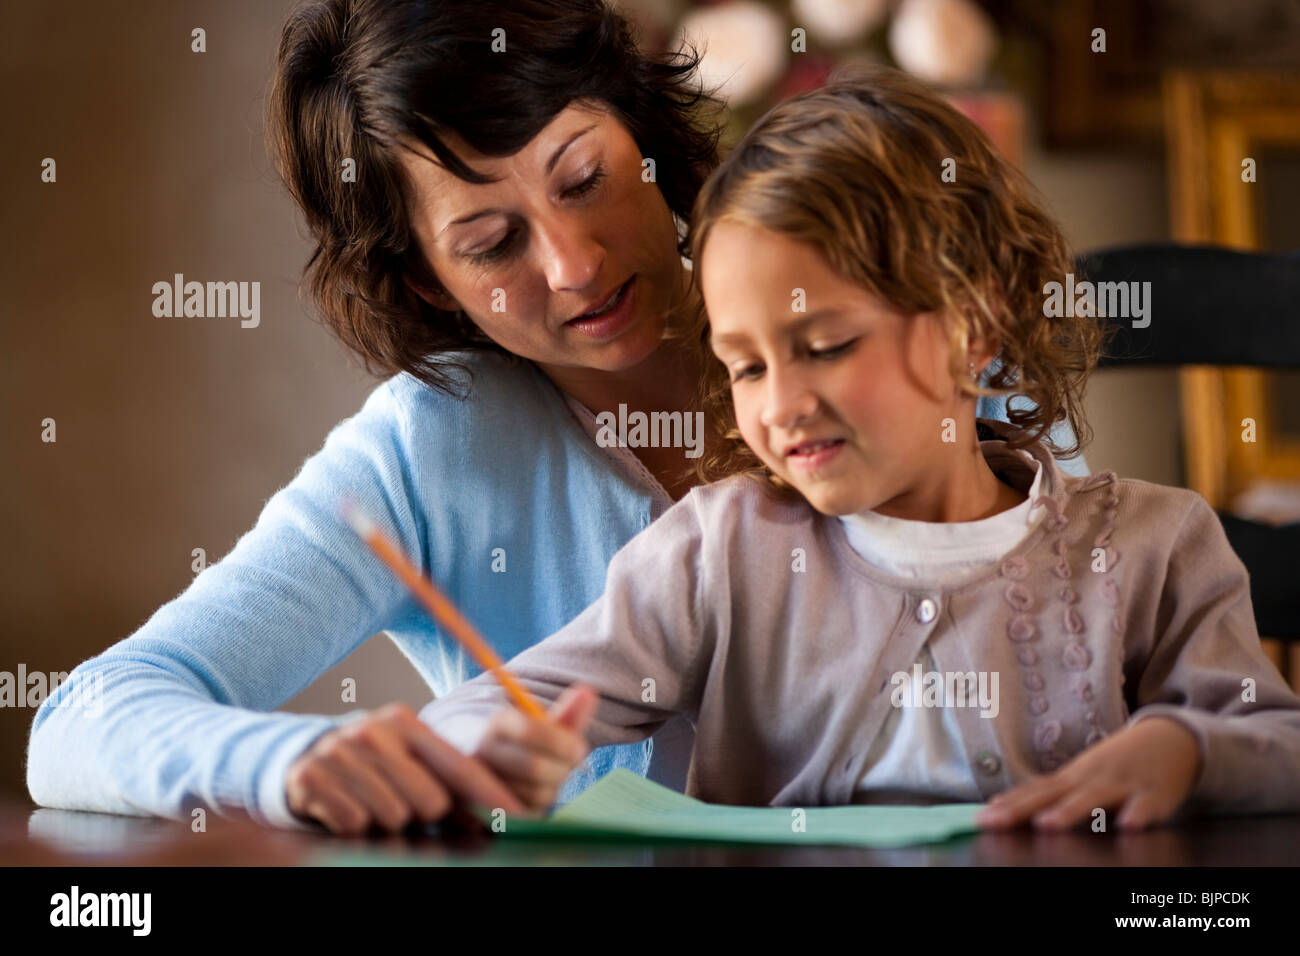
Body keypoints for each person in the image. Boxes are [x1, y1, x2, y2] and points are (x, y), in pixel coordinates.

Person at [25, 0, 1084, 837]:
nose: (573, 265)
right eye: (491, 243)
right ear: (430, 280)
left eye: (585, 177)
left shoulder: (877, 315)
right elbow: (85, 717)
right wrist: (291, 764)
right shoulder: (431, 448)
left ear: (645, 132)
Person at [419, 66, 1300, 829]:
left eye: (827, 346)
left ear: (977, 327)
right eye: (746, 366)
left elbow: (1279, 742)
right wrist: (490, 743)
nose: (784, 403)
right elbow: (501, 701)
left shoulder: (1155, 544)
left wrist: (1184, 753)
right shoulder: (719, 550)